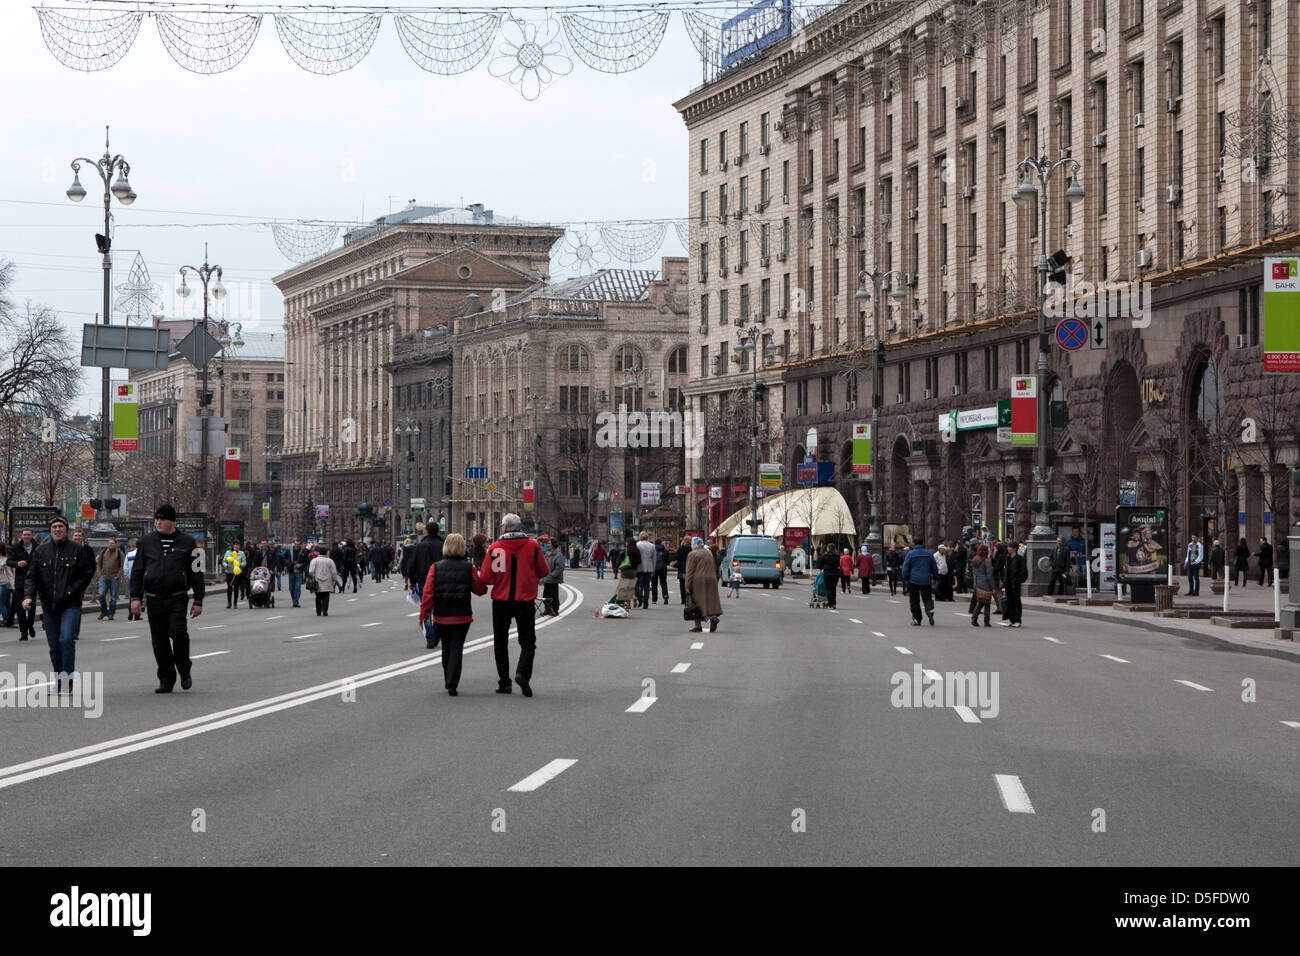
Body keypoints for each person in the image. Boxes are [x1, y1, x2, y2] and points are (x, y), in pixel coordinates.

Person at [129, 504, 204, 693]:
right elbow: (137, 571)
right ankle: (166, 678)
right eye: (156, 519)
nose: (159, 522)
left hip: (177, 597)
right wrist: (135, 597)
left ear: (172, 521)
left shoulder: (188, 542)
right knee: (159, 641)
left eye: (162, 519)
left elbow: (197, 572)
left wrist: (198, 599)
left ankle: (184, 669)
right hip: (154, 599)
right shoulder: (146, 542)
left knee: (178, 633)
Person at [477, 514, 548, 696]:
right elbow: (543, 570)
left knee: (500, 642)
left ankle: (504, 682)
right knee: (528, 642)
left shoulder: (495, 548)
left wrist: (499, 578)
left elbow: (485, 577)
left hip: (501, 602)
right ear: (519, 527)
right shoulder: (532, 546)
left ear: (505, 528)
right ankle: (523, 673)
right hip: (524, 601)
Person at [22, 515, 94, 693]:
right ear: (50, 530)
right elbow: (32, 576)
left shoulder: (77, 549)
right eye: (54, 527)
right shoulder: (41, 551)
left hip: (70, 604)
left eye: (60, 526)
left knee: (67, 639)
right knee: (54, 646)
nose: (57, 529)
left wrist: (72, 590)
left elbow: (86, 574)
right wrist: (28, 596)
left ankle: (67, 682)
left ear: (66, 530)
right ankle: (59, 681)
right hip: (49, 606)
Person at [419, 533, 487, 696]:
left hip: (441, 615)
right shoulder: (468, 568)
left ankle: (447, 678)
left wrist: (423, 615)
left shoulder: (435, 568)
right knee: (457, 647)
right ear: (463, 548)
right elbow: (480, 590)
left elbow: (427, 594)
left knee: (446, 649)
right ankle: (452, 682)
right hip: (462, 616)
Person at [685, 537, 722, 633]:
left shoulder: (692, 554)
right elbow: (714, 566)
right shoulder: (708, 552)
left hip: (698, 580)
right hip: (711, 578)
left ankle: (698, 625)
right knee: (709, 600)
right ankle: (713, 617)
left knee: (695, 602)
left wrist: (687, 585)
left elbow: (690, 571)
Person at [8, 528, 38, 640]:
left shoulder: (37, 548)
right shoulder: (15, 548)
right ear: (22, 535)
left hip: (33, 581)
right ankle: (23, 632)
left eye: (28, 535)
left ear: (32, 536)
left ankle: (30, 624)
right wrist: (17, 563)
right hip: (20, 581)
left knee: (32, 605)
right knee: (19, 607)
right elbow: (8, 561)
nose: (26, 536)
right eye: (25, 534)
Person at [901, 537, 938, 626]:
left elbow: (905, 568)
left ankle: (917, 619)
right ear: (922, 543)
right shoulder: (929, 554)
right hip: (926, 580)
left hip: (913, 580)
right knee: (927, 598)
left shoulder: (910, 554)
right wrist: (936, 578)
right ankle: (929, 611)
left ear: (914, 543)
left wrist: (906, 578)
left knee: (914, 601)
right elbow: (934, 567)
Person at [95, 536, 125, 621]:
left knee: (113, 597)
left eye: (112, 543)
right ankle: (104, 611)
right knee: (101, 595)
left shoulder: (119, 553)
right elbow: (99, 564)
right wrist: (99, 574)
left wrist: (118, 576)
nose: (110, 545)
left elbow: (122, 566)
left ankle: (111, 613)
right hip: (103, 577)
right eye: (109, 543)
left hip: (114, 578)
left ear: (116, 544)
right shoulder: (103, 552)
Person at [1000, 540, 1028, 627]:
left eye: (1010, 547)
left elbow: (1024, 571)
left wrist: (1018, 579)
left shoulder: (1020, 558)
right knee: (1009, 601)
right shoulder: (1007, 558)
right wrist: (1003, 581)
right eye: (1008, 546)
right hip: (1008, 583)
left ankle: (1018, 620)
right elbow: (1004, 570)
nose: (1008, 548)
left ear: (1014, 548)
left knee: (1016, 601)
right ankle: (1012, 619)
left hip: (1015, 583)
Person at [412, 524, 445, 597]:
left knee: (426, 605)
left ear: (427, 531)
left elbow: (413, 564)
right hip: (440, 580)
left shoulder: (420, 546)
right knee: (439, 606)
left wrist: (413, 581)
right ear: (437, 531)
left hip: (423, 581)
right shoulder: (443, 545)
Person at [969, 543, 995, 627]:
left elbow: (974, 574)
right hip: (986, 583)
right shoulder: (987, 561)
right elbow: (989, 575)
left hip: (977, 583)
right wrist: (993, 587)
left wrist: (975, 585)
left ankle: (974, 618)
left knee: (980, 602)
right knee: (987, 603)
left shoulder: (974, 560)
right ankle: (986, 621)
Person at [308, 548, 339, 616]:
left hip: (317, 581)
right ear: (326, 553)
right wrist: (334, 580)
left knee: (318, 597)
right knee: (326, 596)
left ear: (319, 553)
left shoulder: (314, 560)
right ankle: (325, 610)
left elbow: (310, 571)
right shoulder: (330, 561)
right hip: (327, 581)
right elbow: (334, 572)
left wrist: (313, 576)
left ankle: (318, 611)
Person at [540, 538, 564, 616]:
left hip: (553, 579)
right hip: (547, 578)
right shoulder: (547, 553)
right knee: (545, 595)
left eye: (549, 543)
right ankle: (547, 609)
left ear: (553, 544)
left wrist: (552, 575)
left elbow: (560, 567)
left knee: (554, 596)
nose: (547, 545)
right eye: (547, 543)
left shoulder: (558, 554)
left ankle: (555, 610)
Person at [634, 531, 656, 610]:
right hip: (649, 567)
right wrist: (653, 569)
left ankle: (640, 597)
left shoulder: (637, 545)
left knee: (635, 584)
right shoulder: (652, 546)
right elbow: (654, 558)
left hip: (639, 567)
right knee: (647, 586)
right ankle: (646, 603)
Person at [288, 540, 312, 608]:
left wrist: (301, 565)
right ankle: (294, 600)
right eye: (295, 544)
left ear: (300, 545)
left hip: (299, 571)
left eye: (298, 544)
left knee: (297, 587)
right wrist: (287, 565)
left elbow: (307, 562)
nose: (296, 546)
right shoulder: (289, 550)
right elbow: (285, 559)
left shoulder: (304, 551)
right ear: (294, 544)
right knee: (291, 587)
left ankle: (296, 601)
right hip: (291, 571)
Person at [818, 543, 841, 609]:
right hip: (835, 574)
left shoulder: (824, 556)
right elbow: (838, 564)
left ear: (828, 548)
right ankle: (834, 603)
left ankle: (830, 604)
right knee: (833, 589)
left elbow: (819, 565)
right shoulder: (837, 556)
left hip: (827, 574)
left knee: (828, 589)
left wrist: (822, 568)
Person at [222, 541, 245, 608]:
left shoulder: (241, 553)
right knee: (229, 587)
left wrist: (241, 565)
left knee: (236, 588)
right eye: (235, 545)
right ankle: (229, 603)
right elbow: (224, 561)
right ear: (233, 546)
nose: (237, 547)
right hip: (229, 572)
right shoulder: (228, 552)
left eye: (238, 545)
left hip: (237, 572)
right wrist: (226, 565)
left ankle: (235, 603)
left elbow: (244, 562)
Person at [673, 537, 691, 605]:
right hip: (689, 568)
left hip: (682, 568)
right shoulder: (691, 548)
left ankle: (683, 600)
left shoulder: (681, 548)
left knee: (682, 584)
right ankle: (688, 599)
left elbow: (676, 556)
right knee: (689, 584)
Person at [653, 539, 670, 605]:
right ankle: (665, 596)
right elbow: (668, 560)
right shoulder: (665, 550)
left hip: (654, 568)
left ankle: (654, 599)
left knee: (654, 584)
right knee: (663, 583)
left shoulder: (653, 550)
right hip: (663, 568)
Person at [0, 543, 12, 628]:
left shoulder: (5, 560)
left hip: (4, 584)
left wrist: (13, 585)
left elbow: (9, 573)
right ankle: (9, 620)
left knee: (1, 603)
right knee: (6, 603)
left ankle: (7, 620)